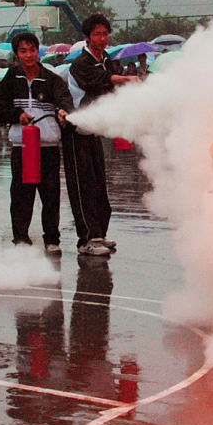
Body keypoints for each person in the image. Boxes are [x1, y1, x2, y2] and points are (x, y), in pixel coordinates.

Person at [63, 14, 138, 257]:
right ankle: (85, 239)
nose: (102, 38)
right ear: (86, 37)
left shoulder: (107, 60)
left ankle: (98, 235)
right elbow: (100, 82)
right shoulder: (81, 63)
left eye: (105, 33)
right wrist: (125, 79)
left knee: (98, 186)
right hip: (77, 133)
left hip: (94, 133)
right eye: (97, 34)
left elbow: (111, 89)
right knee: (82, 187)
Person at [0, 31, 72, 255]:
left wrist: (63, 110)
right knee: (21, 195)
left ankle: (52, 239)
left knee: (50, 195)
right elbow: (0, 107)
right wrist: (16, 114)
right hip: (22, 147)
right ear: (16, 54)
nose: (29, 55)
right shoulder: (11, 78)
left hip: (47, 147)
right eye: (23, 51)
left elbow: (64, 98)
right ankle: (20, 238)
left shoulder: (51, 79)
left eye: (32, 50)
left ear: (38, 51)